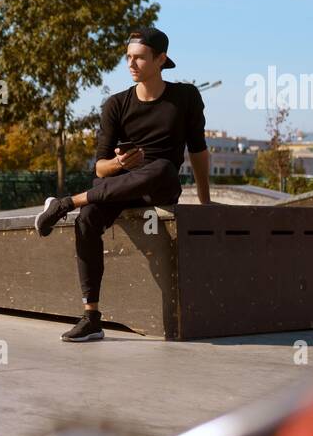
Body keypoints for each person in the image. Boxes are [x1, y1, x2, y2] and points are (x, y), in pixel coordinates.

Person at [34, 28, 212, 342]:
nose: (131, 64)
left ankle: (65, 203)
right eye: (128, 57)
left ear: (160, 59)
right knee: (88, 219)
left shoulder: (185, 97)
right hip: (120, 185)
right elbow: (101, 169)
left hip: (160, 183)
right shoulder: (116, 104)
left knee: (161, 168)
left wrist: (205, 203)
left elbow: (197, 150)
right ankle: (91, 317)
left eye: (140, 57)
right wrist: (120, 163)